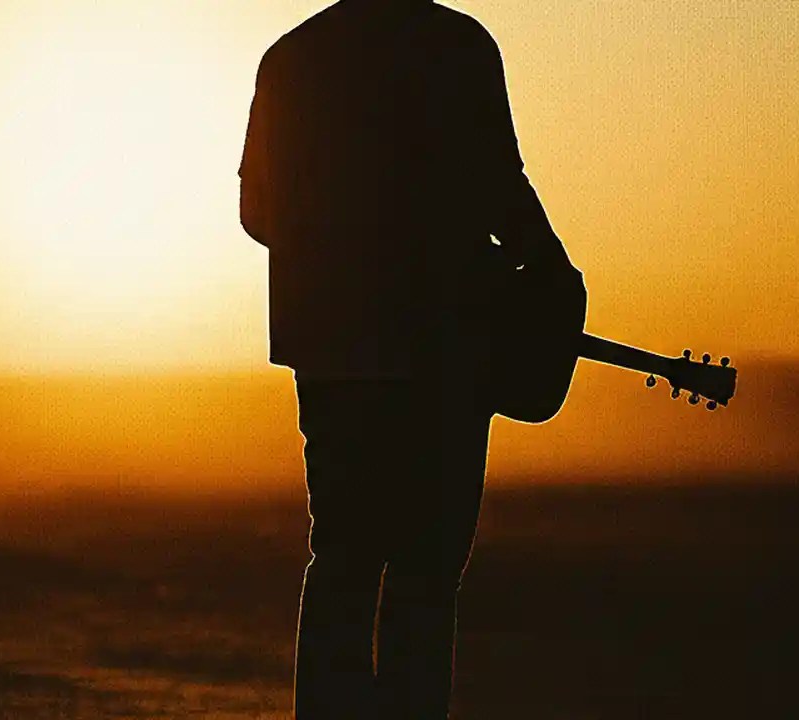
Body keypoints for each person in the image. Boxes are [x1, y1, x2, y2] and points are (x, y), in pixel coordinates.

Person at [239, 1, 576, 717]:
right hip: (444, 357)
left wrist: (338, 261)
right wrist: (550, 275)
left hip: (332, 354)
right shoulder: (459, 47)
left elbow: (257, 214)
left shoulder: (292, 57)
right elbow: (501, 192)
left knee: (342, 562)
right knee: (425, 575)